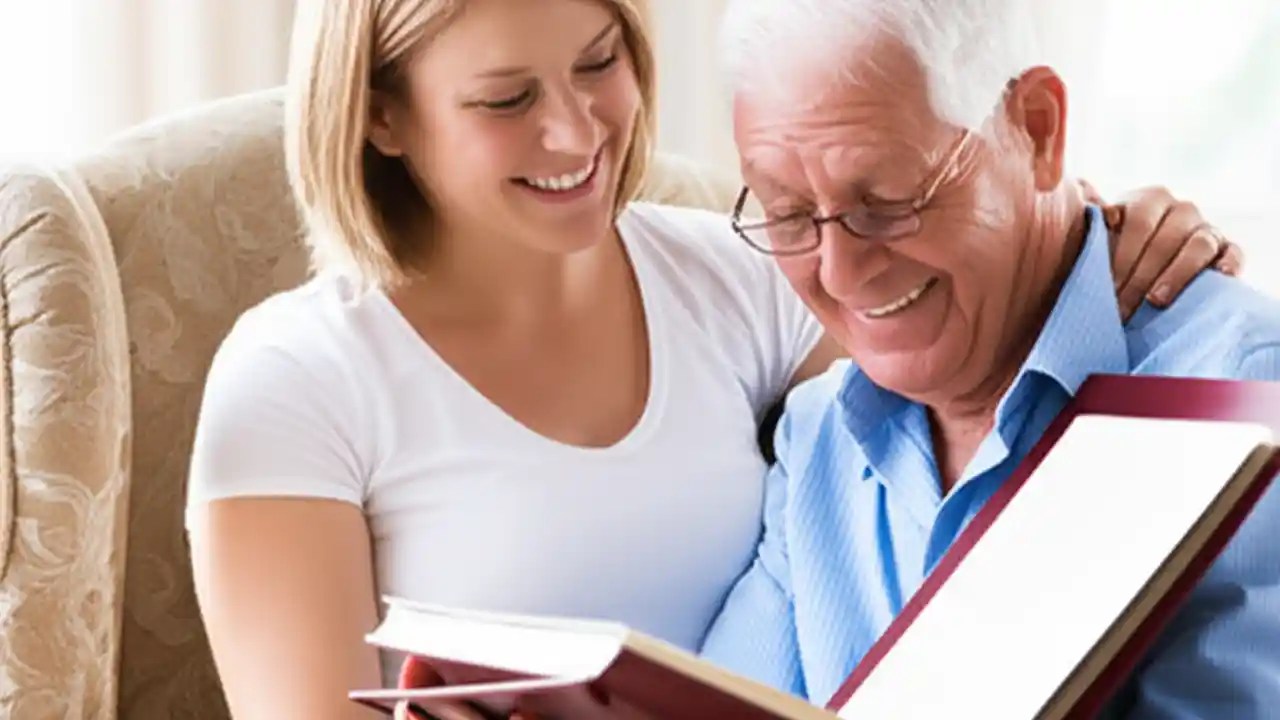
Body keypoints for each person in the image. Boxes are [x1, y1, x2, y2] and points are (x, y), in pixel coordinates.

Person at [184, 0, 1241, 717]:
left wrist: (1108, 219)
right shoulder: (295, 384)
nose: (572, 133)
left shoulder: (741, 280)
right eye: (505, 100)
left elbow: (979, 295)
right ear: (379, 114)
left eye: (599, 62)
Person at [699, 1, 1280, 717]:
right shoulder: (817, 434)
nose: (842, 275)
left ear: (1036, 130)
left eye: (885, 202)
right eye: (788, 214)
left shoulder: (1248, 396)